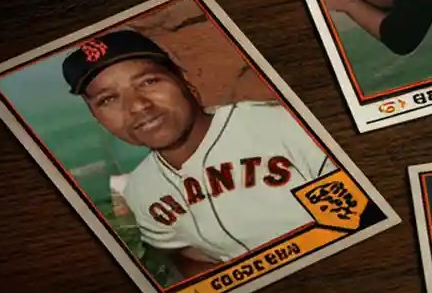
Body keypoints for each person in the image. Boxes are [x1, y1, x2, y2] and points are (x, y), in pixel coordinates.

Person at [62, 29, 332, 277]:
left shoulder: (283, 125)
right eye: (108, 99)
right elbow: (192, 262)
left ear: (182, 79)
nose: (137, 106)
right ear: (98, 118)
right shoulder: (140, 190)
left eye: (148, 82)